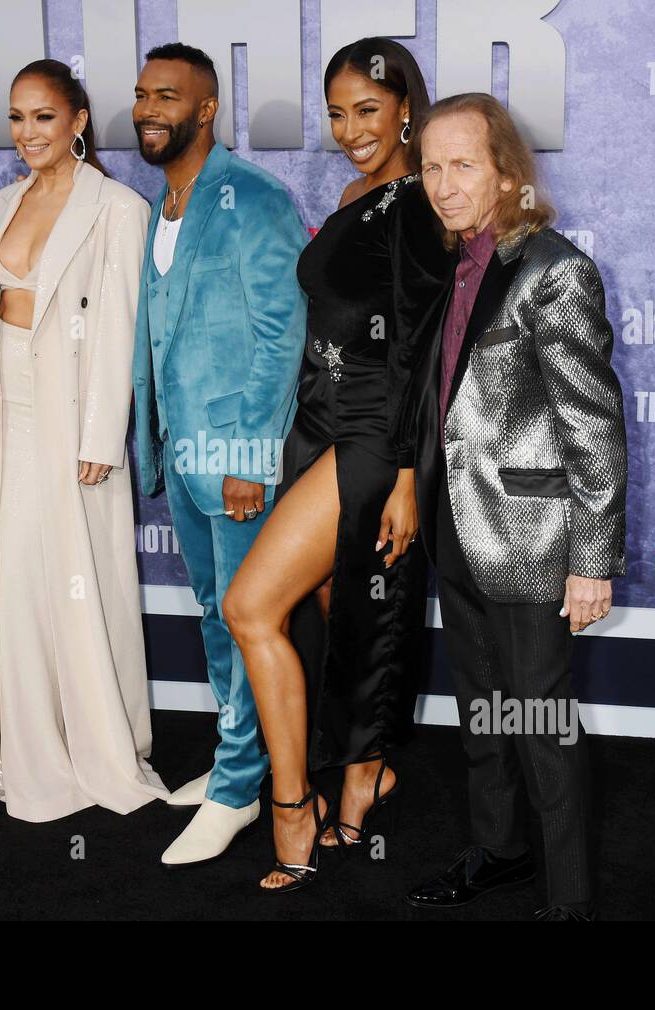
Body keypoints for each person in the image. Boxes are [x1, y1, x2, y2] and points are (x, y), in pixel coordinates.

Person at [222, 38, 449, 892]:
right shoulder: (356, 192)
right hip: (319, 427)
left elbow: (426, 351)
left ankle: (295, 810)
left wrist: (403, 475)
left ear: (404, 110)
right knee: (342, 611)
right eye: (338, 112)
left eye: (368, 109)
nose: (352, 128)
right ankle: (365, 776)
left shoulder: (420, 201)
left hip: (370, 436)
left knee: (251, 606)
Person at [403, 93, 627, 921]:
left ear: (506, 173)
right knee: (483, 717)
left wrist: (592, 561)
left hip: (533, 543)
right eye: (430, 165)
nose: (443, 183)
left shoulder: (554, 271)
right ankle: (500, 853)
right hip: (458, 532)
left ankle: (567, 902)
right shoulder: (455, 263)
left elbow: (594, 429)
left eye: (463, 164)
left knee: (540, 725)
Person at [0, 60, 168, 822]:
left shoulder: (116, 207)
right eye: (17, 118)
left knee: (82, 581)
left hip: (72, 411)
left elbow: (118, 324)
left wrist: (100, 433)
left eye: (44, 117)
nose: (28, 134)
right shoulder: (3, 199)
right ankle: (29, 745)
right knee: (10, 578)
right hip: (2, 412)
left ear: (78, 120)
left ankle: (99, 750)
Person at [130, 43, 307, 867]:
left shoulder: (256, 200)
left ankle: (239, 791)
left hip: (238, 462)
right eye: (140, 95)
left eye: (168, 95)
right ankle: (237, 758)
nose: (148, 109)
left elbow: (283, 337)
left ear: (206, 110)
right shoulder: (161, 205)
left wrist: (249, 452)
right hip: (184, 455)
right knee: (213, 611)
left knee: (247, 617)